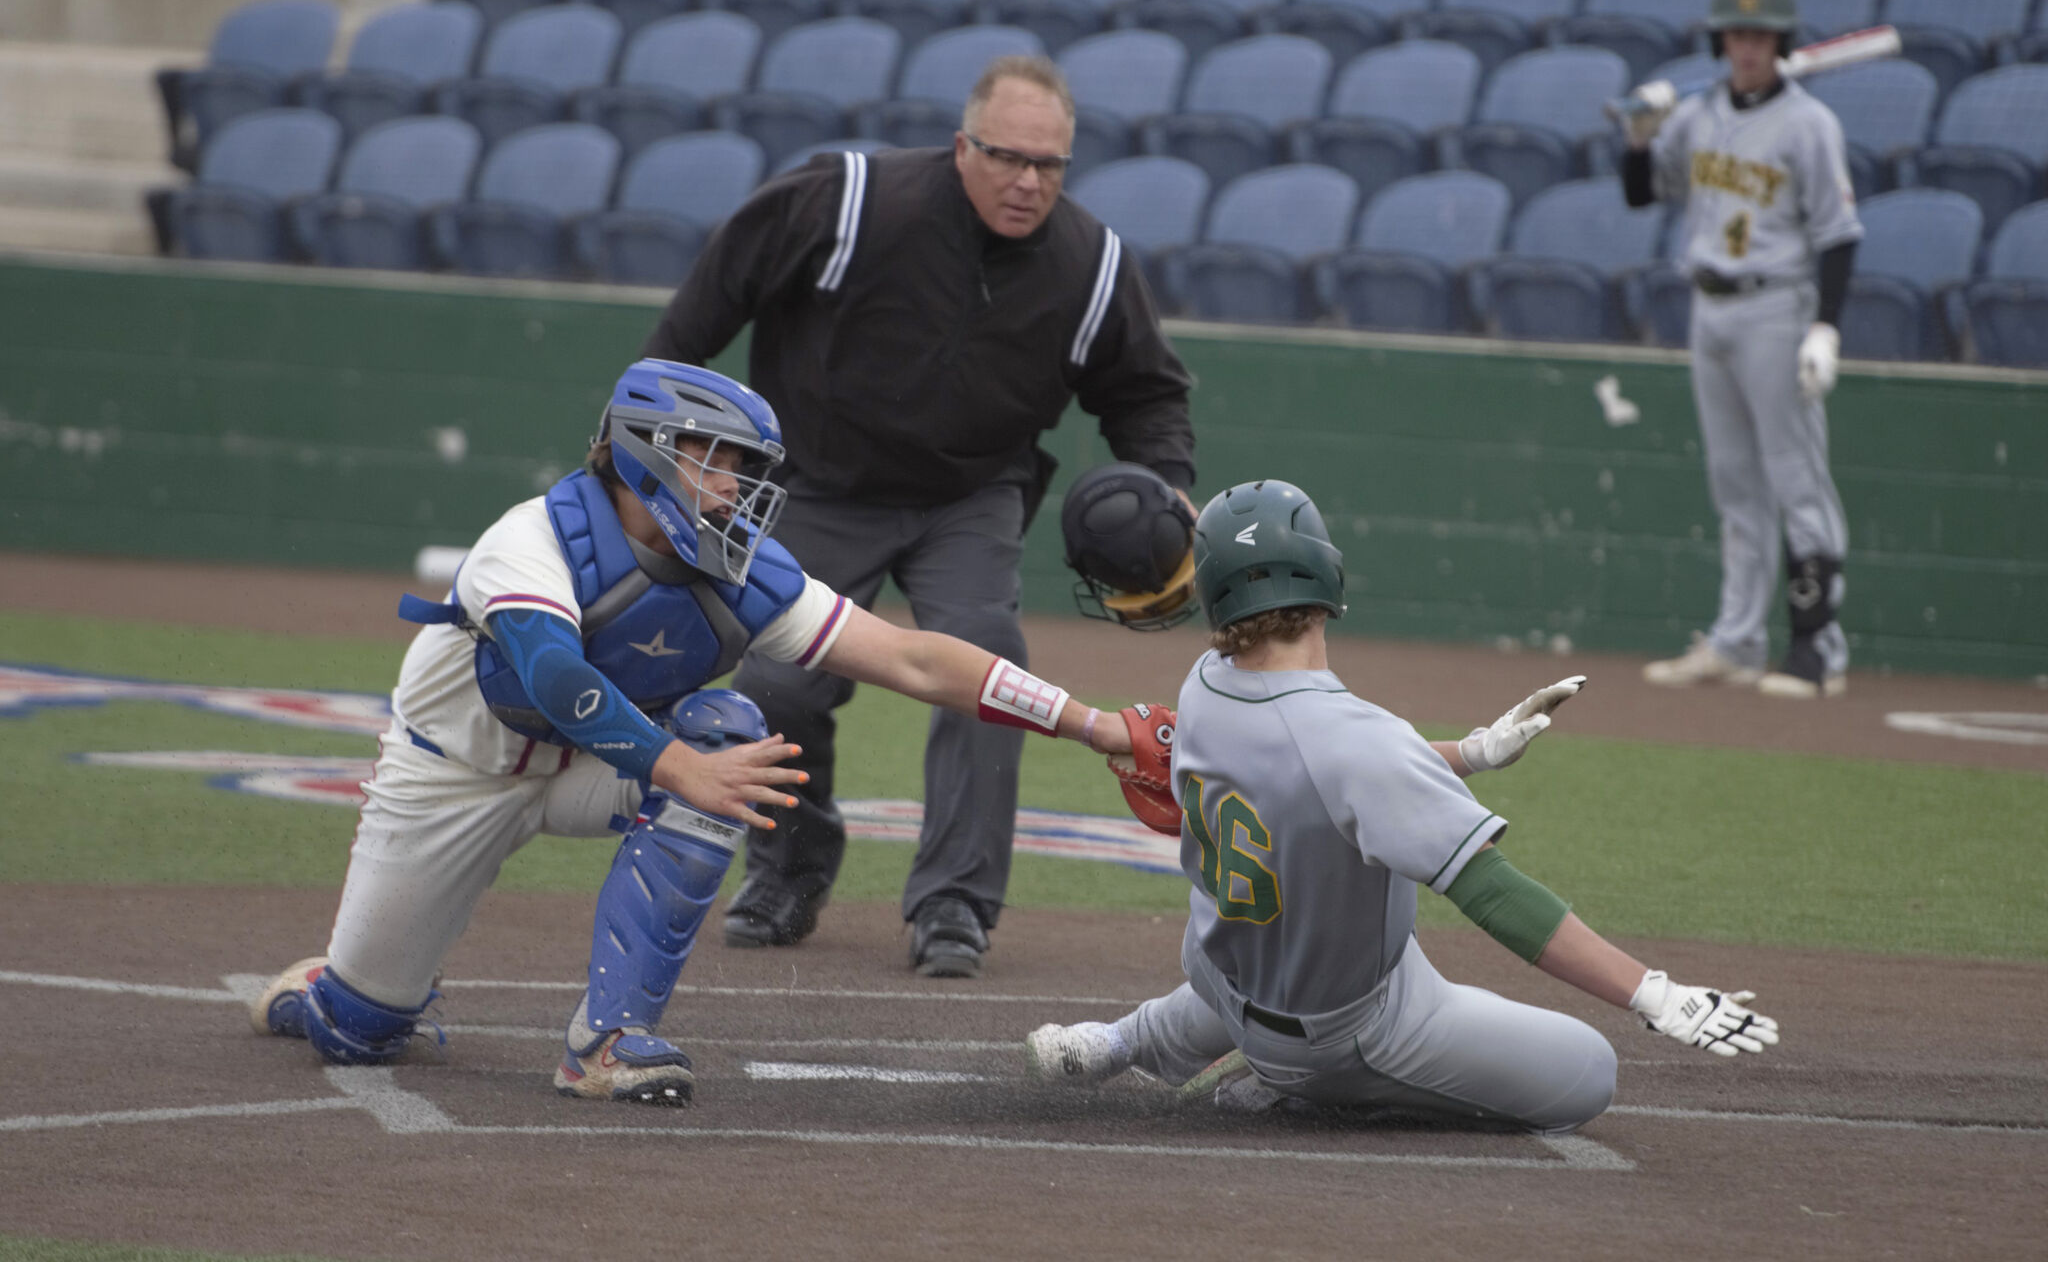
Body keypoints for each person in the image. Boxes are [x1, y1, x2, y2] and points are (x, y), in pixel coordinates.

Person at [247, 358, 1141, 1105]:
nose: (738, 489)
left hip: (592, 767)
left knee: (729, 738)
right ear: (642, 456)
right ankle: (325, 992)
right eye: (714, 462)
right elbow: (555, 676)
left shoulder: (741, 569)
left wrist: (1090, 723)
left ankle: (608, 1040)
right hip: (451, 771)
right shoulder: (531, 542)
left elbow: (912, 659)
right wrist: (677, 766)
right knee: (361, 1035)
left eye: (745, 468)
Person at [641, 55, 1196, 975]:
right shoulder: (851, 198)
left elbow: (1146, 391)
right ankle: (790, 866)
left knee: (989, 664)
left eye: (1049, 165)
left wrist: (1167, 480)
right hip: (818, 481)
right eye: (1006, 157)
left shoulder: (1091, 262)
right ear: (960, 147)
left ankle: (954, 904)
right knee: (775, 680)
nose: (1028, 182)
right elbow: (719, 287)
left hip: (968, 497)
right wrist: (663, 411)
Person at [1025, 481, 1780, 1131]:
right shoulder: (1360, 742)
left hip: (1228, 973)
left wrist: (1471, 754)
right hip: (1340, 1030)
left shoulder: (1205, 684)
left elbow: (1330, 781)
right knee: (1588, 1073)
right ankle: (1313, 1090)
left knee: (1268, 954)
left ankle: (1122, 1041)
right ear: (1323, 577)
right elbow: (1495, 893)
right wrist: (1655, 993)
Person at [1619, 0, 1862, 699]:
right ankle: (1736, 639)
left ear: (1779, 41)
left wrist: (1825, 327)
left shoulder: (1810, 124)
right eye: (1736, 34)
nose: (1747, 47)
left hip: (1776, 304)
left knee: (1795, 476)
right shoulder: (1697, 116)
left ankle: (1820, 649)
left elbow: (1840, 234)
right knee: (1734, 483)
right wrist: (1637, 137)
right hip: (1709, 302)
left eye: (1760, 35)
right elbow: (1641, 193)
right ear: (1721, 41)